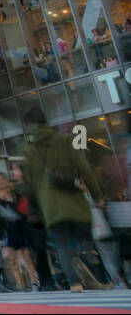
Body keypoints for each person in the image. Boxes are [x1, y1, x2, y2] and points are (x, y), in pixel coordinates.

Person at [20, 107, 106, 292]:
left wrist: (34, 211)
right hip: (74, 200)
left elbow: (29, 185)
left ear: (29, 125)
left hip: (50, 206)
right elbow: (84, 169)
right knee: (84, 233)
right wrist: (97, 196)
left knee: (61, 245)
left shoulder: (28, 150)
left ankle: (75, 283)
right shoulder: (65, 140)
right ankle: (85, 252)